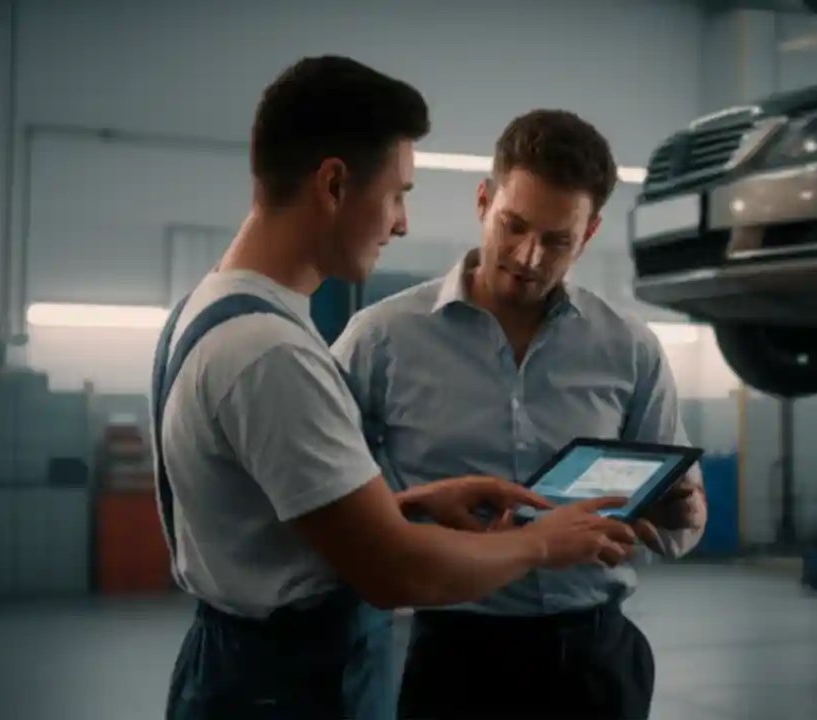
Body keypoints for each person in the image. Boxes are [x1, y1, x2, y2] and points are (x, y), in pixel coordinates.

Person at [153, 58, 638, 720]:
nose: (403, 222)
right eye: (398, 193)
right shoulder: (271, 355)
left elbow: (282, 521)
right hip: (285, 687)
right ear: (333, 184)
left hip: (248, 665)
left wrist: (411, 503)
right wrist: (545, 542)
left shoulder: (210, 309)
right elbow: (394, 573)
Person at [333, 109, 709, 720]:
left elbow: (680, 519)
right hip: (452, 660)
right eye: (513, 225)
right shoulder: (380, 340)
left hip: (595, 663)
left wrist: (682, 511)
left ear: (588, 236)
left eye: (558, 240)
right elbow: (329, 500)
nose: (530, 257)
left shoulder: (628, 346)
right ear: (483, 202)